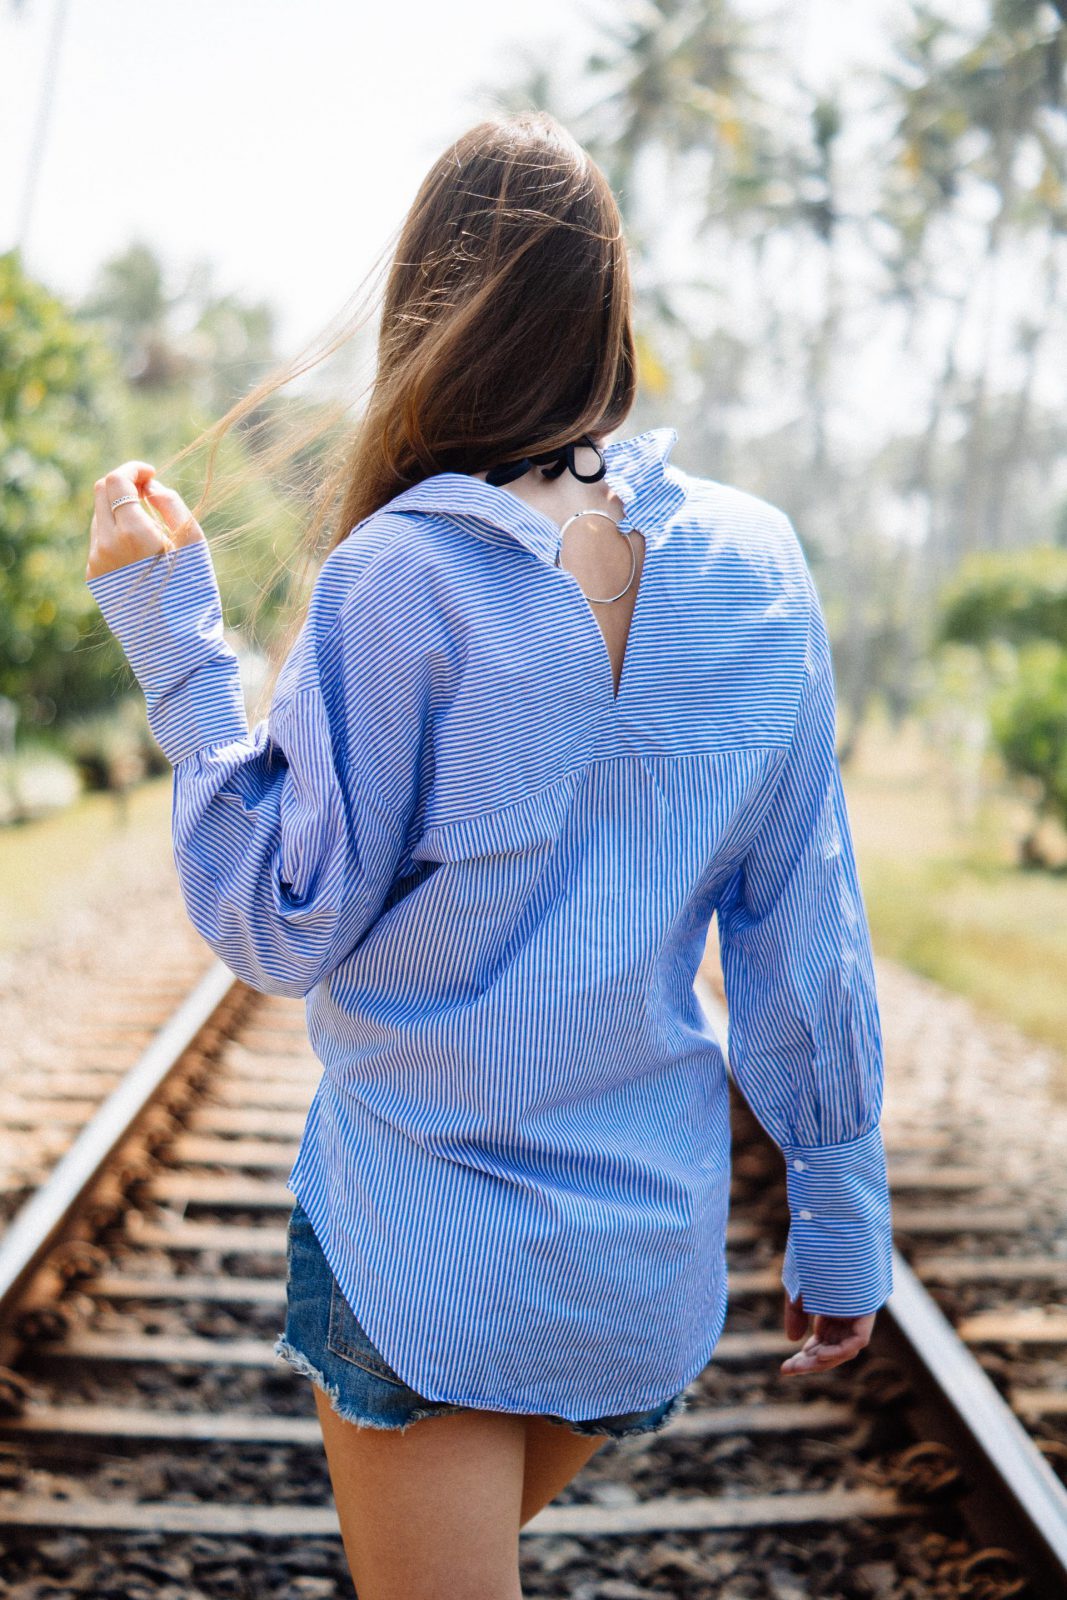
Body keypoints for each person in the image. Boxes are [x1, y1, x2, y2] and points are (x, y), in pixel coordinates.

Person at [85, 111, 893, 1600]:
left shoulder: (403, 577)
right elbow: (806, 927)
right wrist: (839, 1216)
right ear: (609, 311)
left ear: (432, 314)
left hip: (426, 1252)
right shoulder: (763, 566)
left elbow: (282, 920)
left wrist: (178, 648)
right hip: (637, 1272)